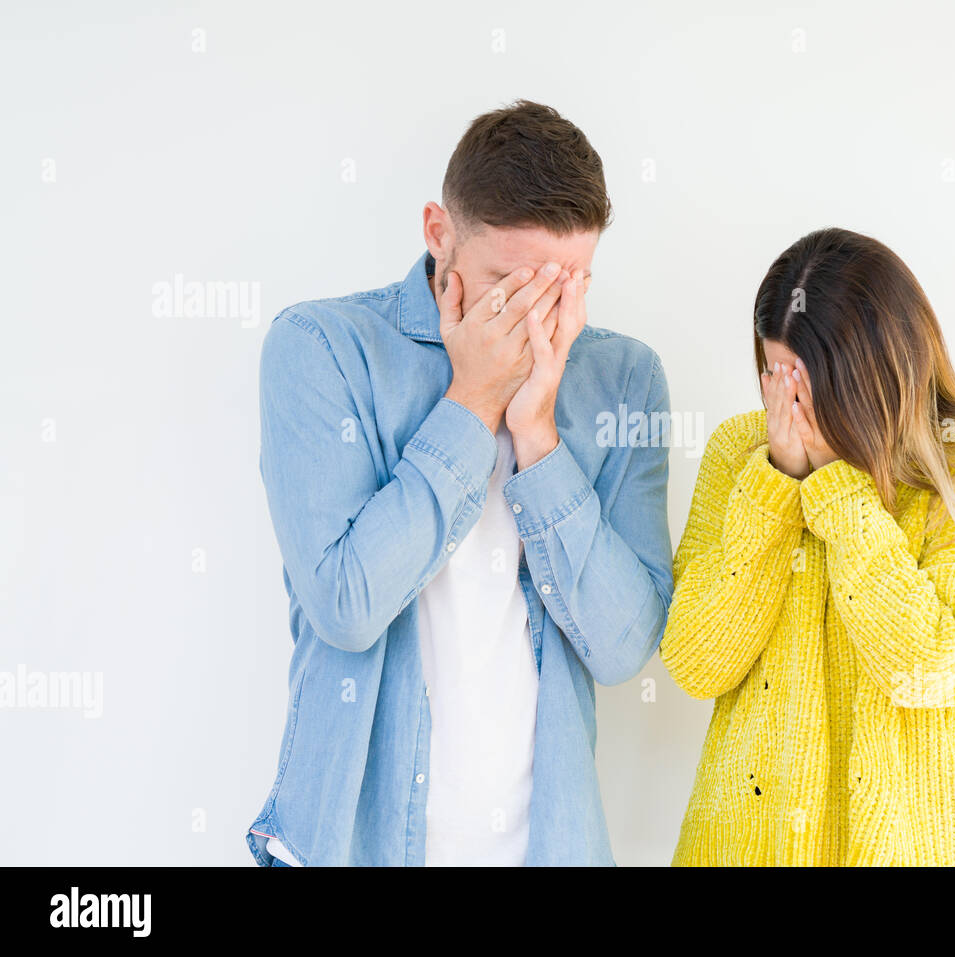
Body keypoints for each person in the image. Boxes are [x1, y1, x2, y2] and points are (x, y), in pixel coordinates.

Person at [245, 100, 674, 867]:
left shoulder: (624, 378)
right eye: (512, 284)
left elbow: (623, 647)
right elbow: (346, 604)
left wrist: (538, 435)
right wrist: (472, 403)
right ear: (439, 234)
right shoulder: (321, 350)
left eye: (569, 285)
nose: (543, 318)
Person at [660, 227, 955, 865]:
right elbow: (696, 662)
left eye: (805, 389)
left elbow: (927, 661)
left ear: (869, 381)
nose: (786, 408)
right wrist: (776, 484)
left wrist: (837, 487)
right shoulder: (740, 456)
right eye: (773, 380)